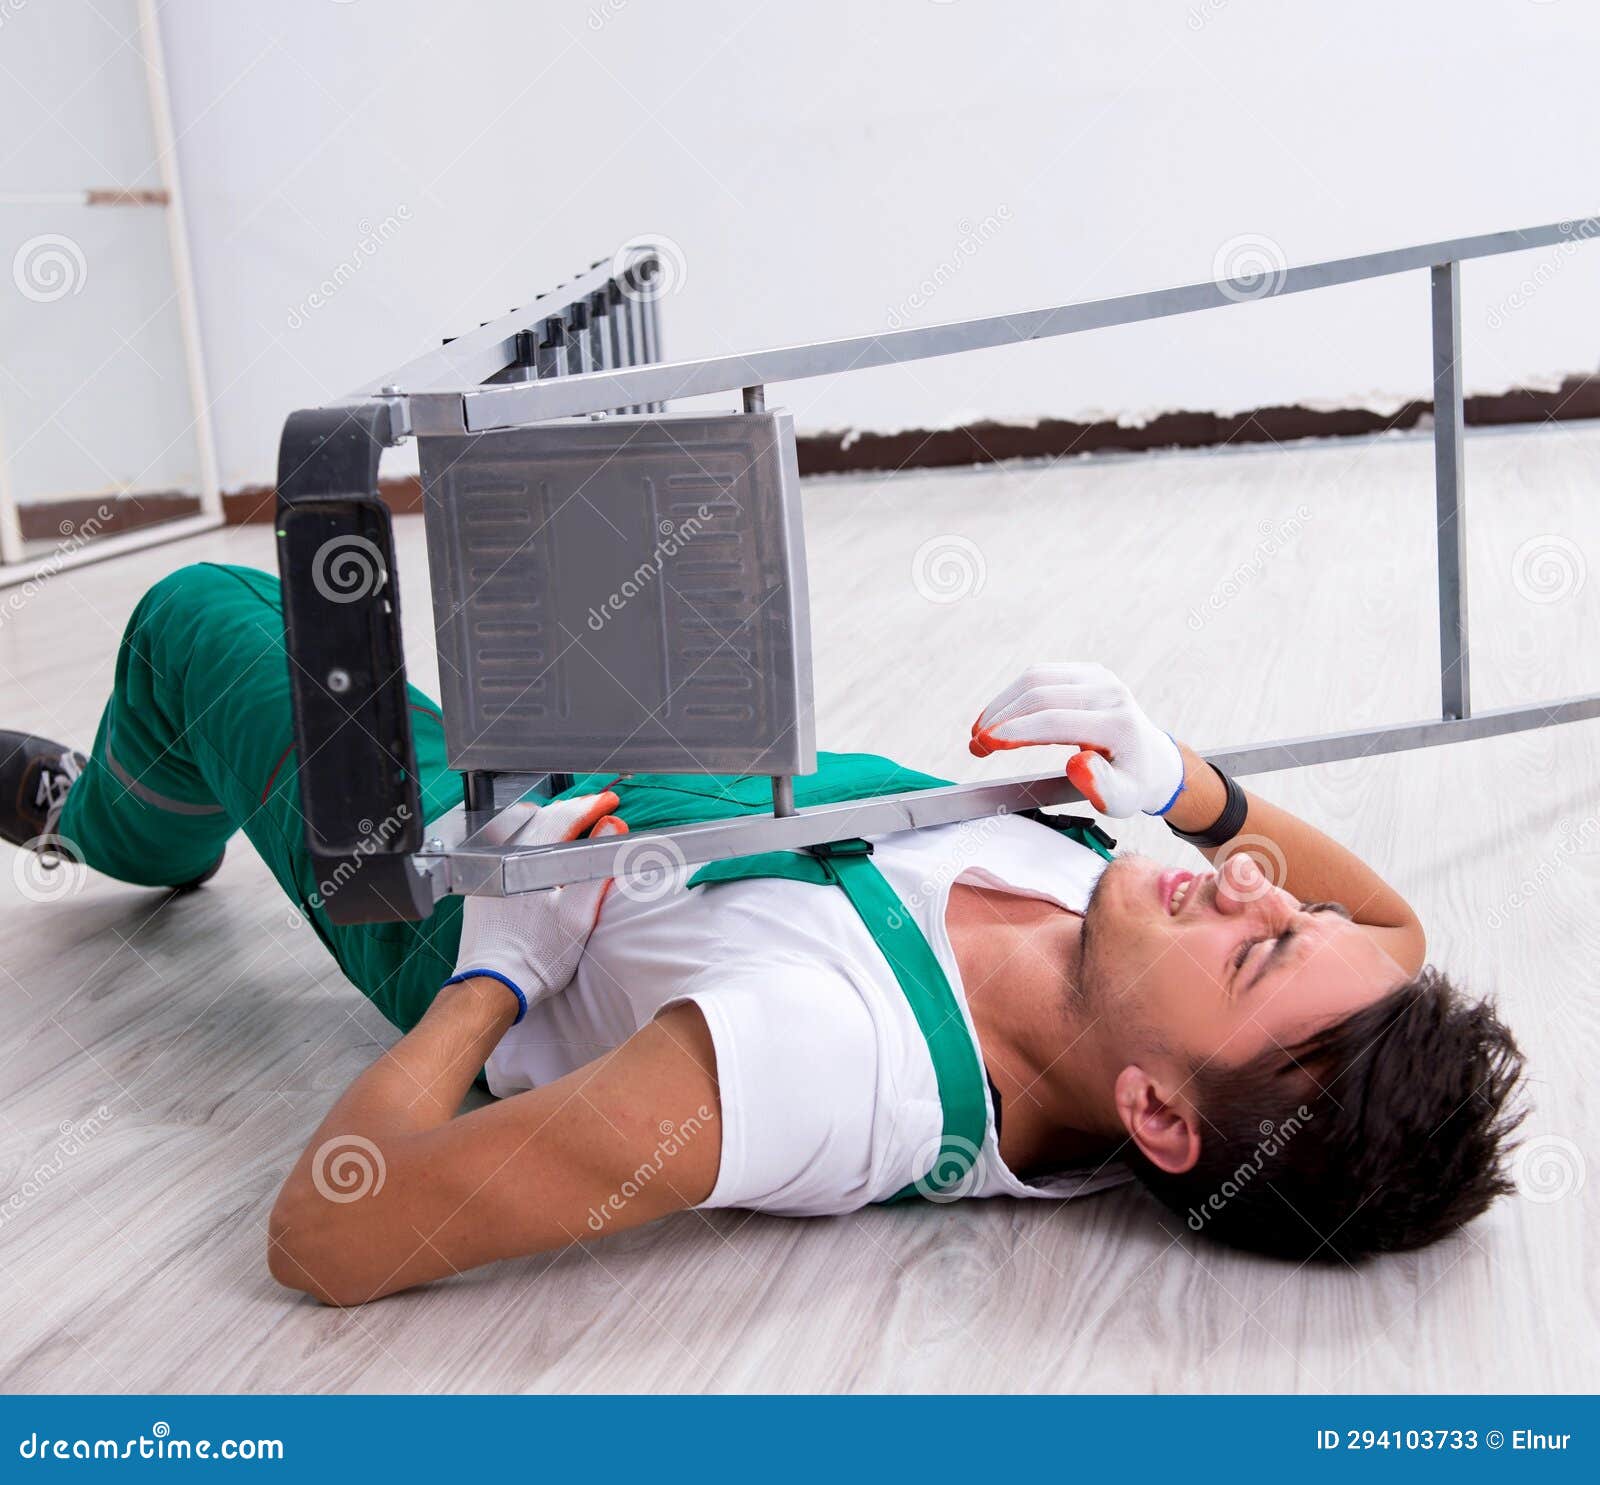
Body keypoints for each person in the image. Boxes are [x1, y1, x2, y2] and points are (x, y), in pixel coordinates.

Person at [1, 562, 1524, 1307]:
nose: (1254, 882)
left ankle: (106, 822)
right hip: (653, 774)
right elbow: (1385, 929)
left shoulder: (815, 1066)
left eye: (1259, 943)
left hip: (495, 879)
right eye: (1285, 898)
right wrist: (1187, 781)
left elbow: (331, 1233)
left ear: (1153, 1112)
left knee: (200, 617)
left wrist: (493, 966)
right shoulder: (1171, 977)